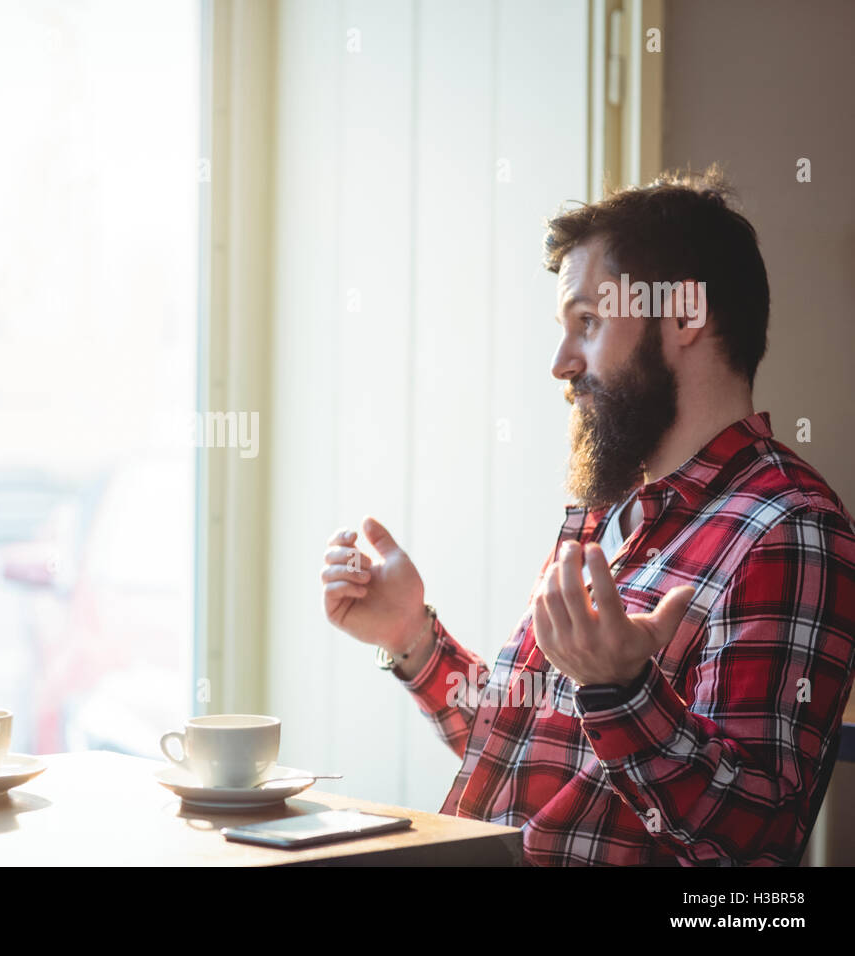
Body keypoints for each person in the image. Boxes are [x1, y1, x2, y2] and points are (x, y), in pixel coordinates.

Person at [322, 167, 855, 866]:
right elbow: (535, 753)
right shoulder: (610, 518)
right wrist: (412, 639)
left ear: (686, 314)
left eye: (588, 322)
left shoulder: (790, 531)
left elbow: (748, 835)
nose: (560, 363)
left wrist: (625, 693)